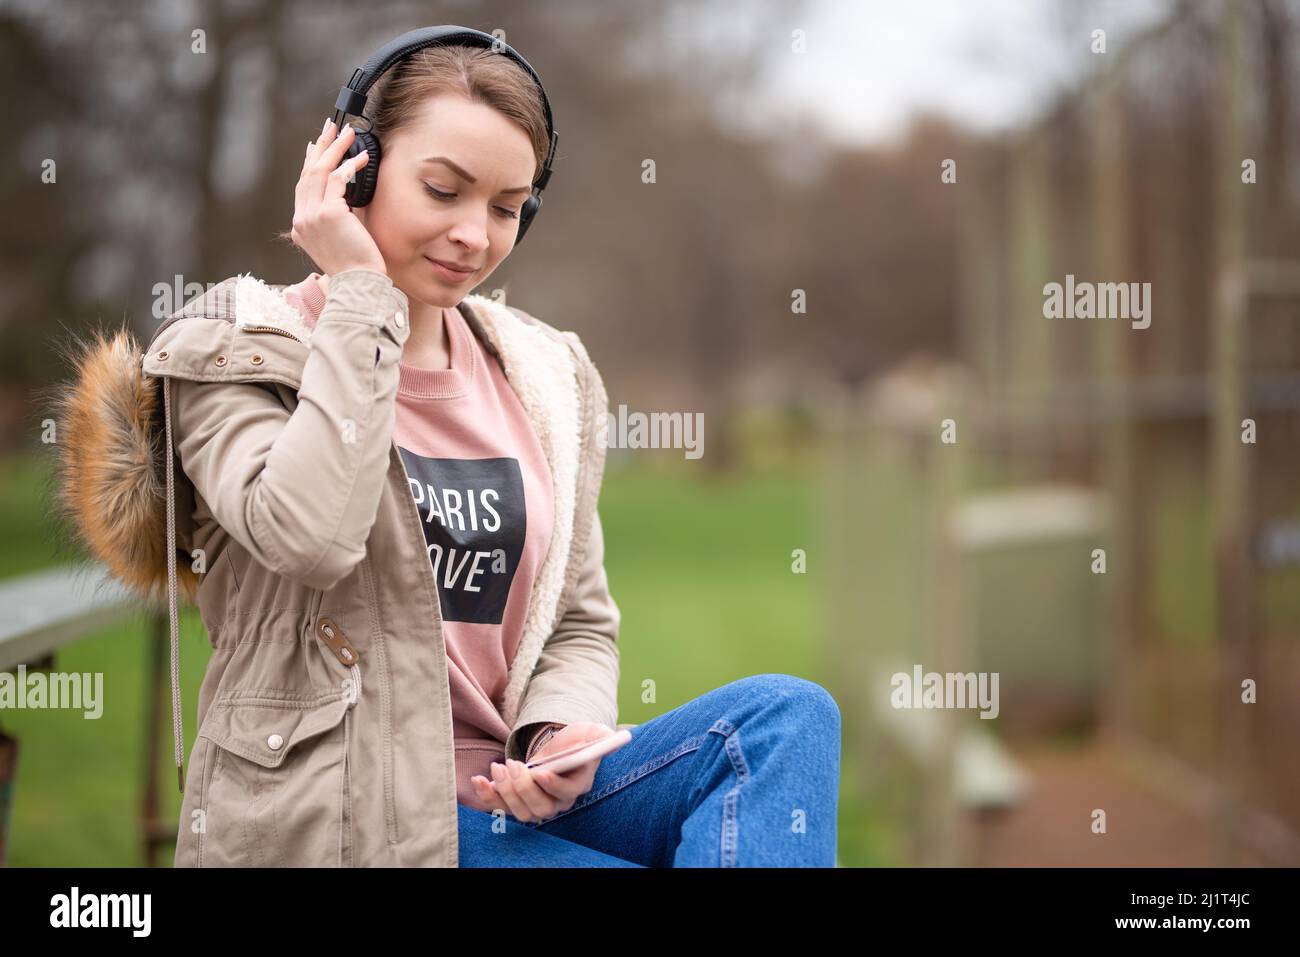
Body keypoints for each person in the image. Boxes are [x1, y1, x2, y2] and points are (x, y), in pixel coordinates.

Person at [52, 28, 841, 867]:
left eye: (506, 207)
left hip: (505, 802)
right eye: (443, 189)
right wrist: (360, 297)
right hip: (342, 816)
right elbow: (310, 536)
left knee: (786, 717)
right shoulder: (238, 349)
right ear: (353, 168)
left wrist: (551, 731)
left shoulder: (544, 374)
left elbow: (576, 613)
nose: (475, 234)